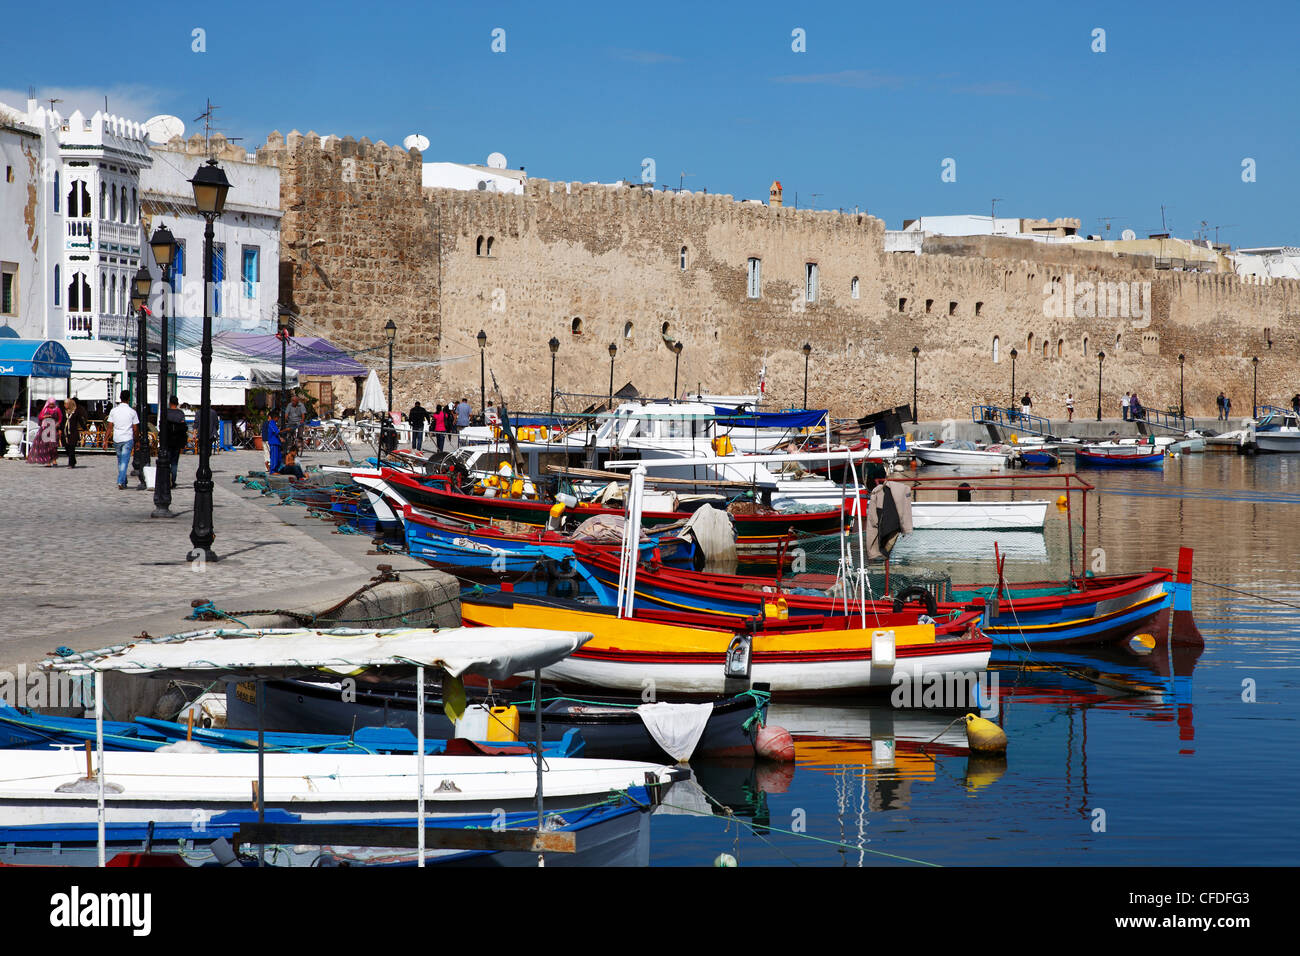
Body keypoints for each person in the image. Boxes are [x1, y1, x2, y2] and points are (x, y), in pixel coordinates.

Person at [107, 390, 139, 489]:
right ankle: (120, 481)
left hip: (117, 438)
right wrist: (137, 441)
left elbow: (109, 427)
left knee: (120, 461)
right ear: (129, 398)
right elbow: (135, 428)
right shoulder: (132, 412)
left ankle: (124, 481)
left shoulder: (114, 411)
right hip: (127, 438)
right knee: (124, 461)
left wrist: (105, 439)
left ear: (120, 398)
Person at [27, 399, 62, 466]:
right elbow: (40, 417)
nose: (51, 406)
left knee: (53, 446)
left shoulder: (57, 409)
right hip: (45, 429)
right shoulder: (45, 409)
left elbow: (60, 418)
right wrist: (45, 416)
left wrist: (57, 425)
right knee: (46, 446)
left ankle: (54, 460)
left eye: (52, 404)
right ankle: (48, 461)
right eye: (50, 404)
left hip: (53, 429)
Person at [164, 396, 188, 489]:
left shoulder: (166, 412)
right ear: (177, 403)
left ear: (170, 403)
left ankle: (167, 479)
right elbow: (183, 427)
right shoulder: (180, 413)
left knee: (167, 461)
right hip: (177, 440)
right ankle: (173, 481)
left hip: (168, 440)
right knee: (174, 462)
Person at [61, 398, 85, 468]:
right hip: (65, 432)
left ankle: (71, 463)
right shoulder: (64, 412)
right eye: (64, 404)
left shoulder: (75, 412)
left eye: (66, 404)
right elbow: (62, 421)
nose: (65, 405)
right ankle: (73, 460)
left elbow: (80, 420)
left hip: (73, 432)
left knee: (71, 447)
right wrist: (60, 429)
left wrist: (84, 428)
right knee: (66, 446)